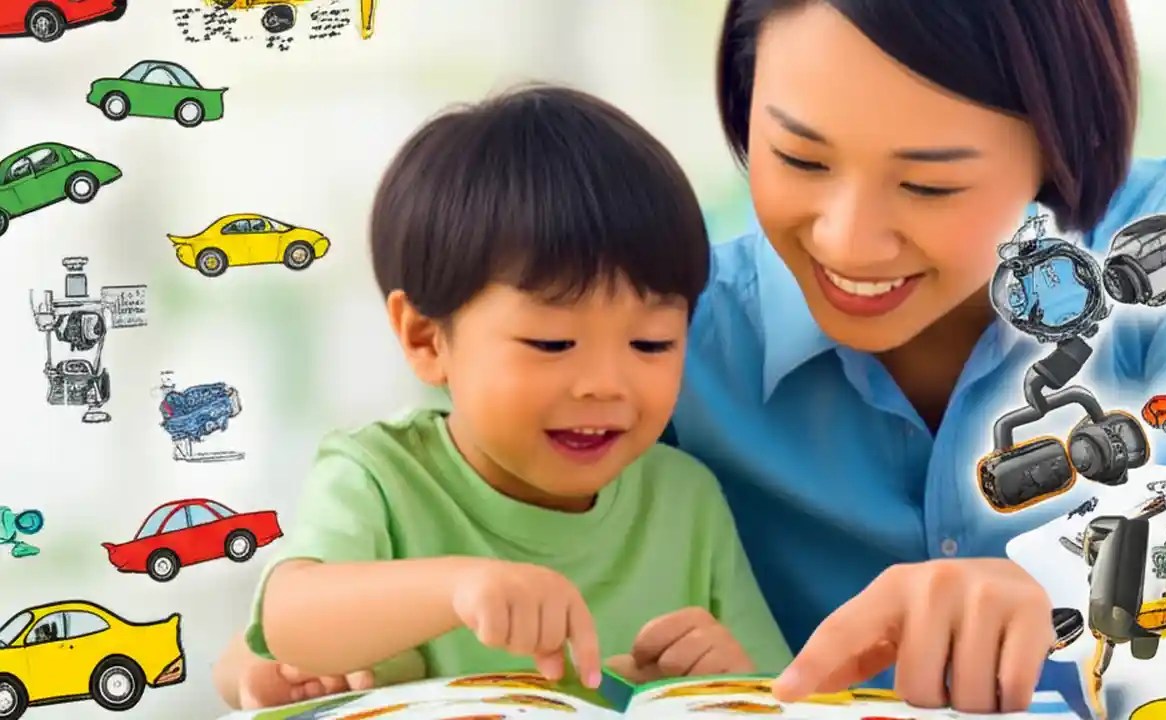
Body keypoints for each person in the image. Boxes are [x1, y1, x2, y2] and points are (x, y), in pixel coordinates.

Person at [673, 0, 1166, 717]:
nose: (849, 242)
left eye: (929, 185)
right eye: (799, 159)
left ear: (1059, 145)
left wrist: (1060, 575)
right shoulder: (668, 334)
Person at [212, 83, 794, 710]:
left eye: (651, 344)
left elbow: (788, 696)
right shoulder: (381, 478)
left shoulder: (687, 500)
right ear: (426, 338)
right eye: (551, 343)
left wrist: (732, 679)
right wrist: (460, 588)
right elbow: (286, 620)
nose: (605, 383)